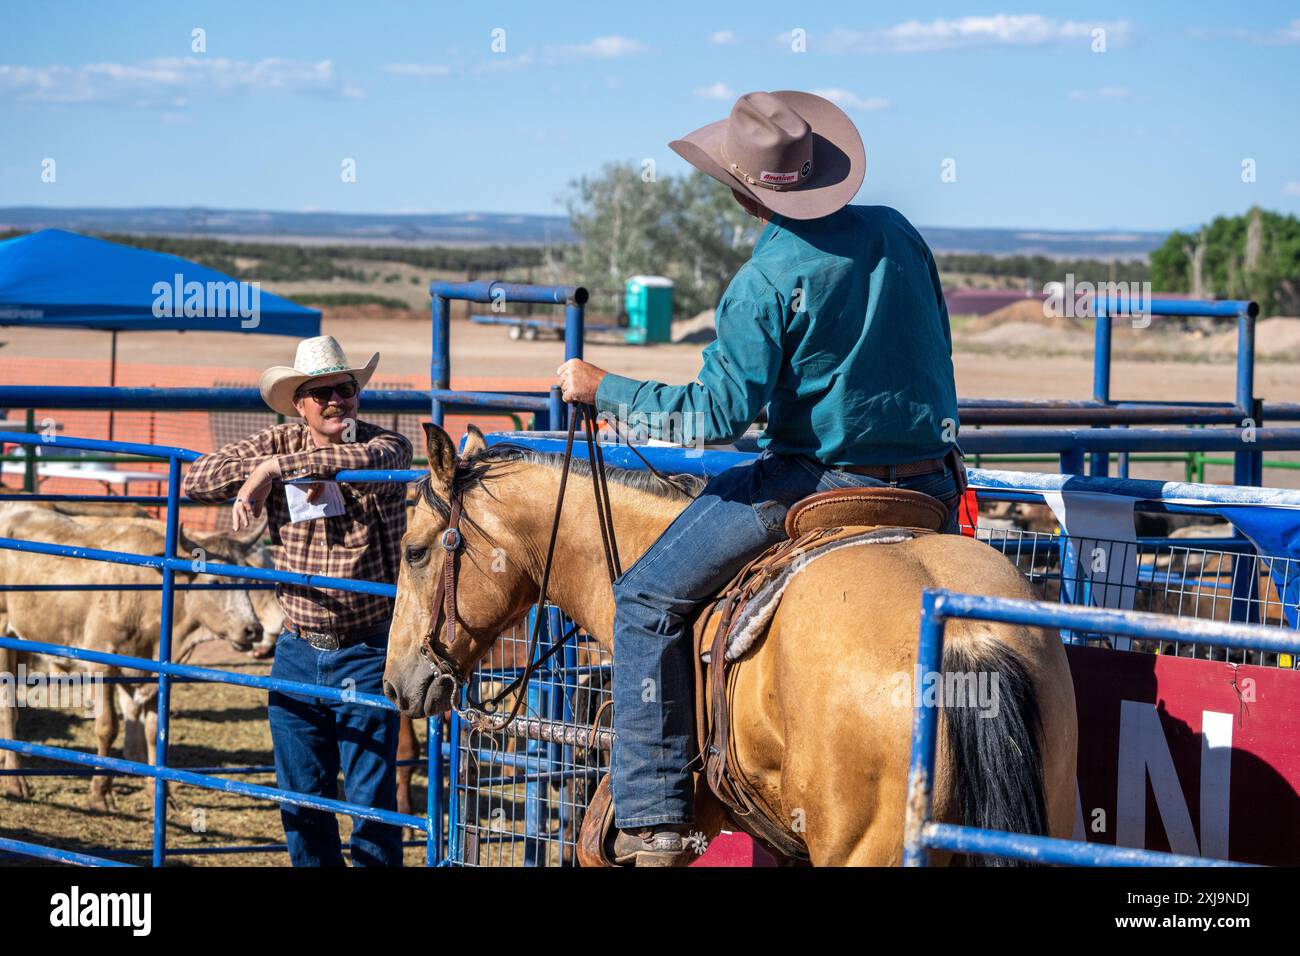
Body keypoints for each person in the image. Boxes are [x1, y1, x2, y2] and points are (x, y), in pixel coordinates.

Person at [556, 90, 964, 866]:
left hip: (818, 483)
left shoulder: (765, 279)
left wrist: (600, 387)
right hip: (931, 486)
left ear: (741, 188)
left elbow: (710, 418)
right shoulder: (898, 232)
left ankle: (654, 820)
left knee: (643, 600)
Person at [184, 335, 413, 866]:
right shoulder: (278, 441)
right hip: (297, 648)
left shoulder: (384, 447)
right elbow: (198, 477)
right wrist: (261, 468)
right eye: (323, 392)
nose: (337, 400)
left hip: (366, 648)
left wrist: (271, 472)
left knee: (371, 802)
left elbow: (378, 457)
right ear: (300, 403)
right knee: (302, 801)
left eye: (346, 388)